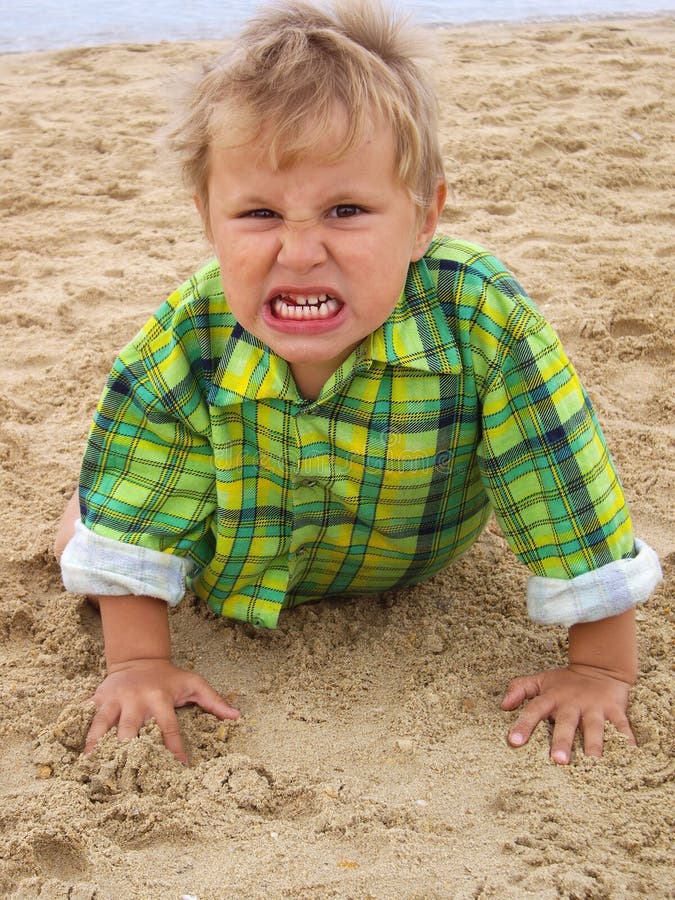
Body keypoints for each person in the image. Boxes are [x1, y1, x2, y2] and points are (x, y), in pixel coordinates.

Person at [55, 0, 662, 768]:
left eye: (346, 209)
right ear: (207, 216)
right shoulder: (188, 334)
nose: (300, 250)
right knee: (94, 535)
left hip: (413, 554)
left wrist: (598, 668)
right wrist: (139, 663)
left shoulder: (478, 319)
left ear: (421, 216)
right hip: (228, 559)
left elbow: (560, 481)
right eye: (258, 212)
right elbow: (143, 495)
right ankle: (78, 510)